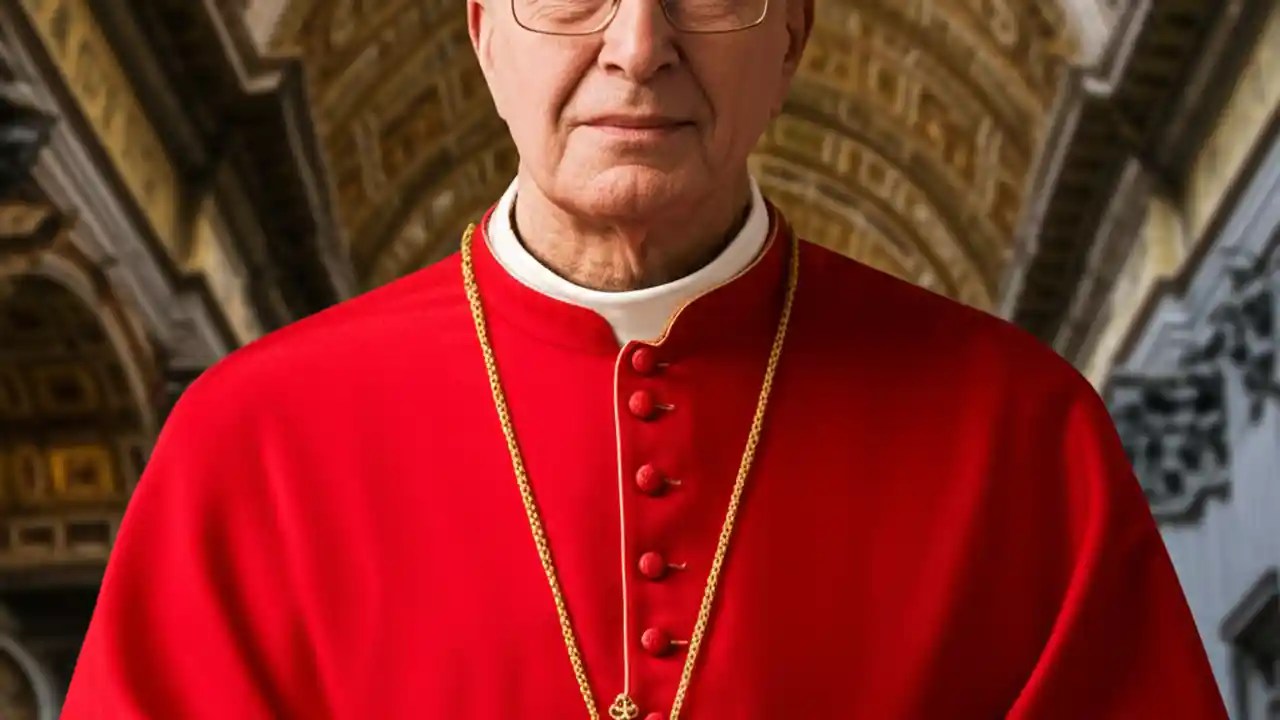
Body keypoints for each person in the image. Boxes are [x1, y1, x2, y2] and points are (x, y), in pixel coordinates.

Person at [60, 0, 1228, 717]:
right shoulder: (251, 438)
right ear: (481, 30)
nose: (638, 44)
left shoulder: (1017, 432)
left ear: (793, 34)